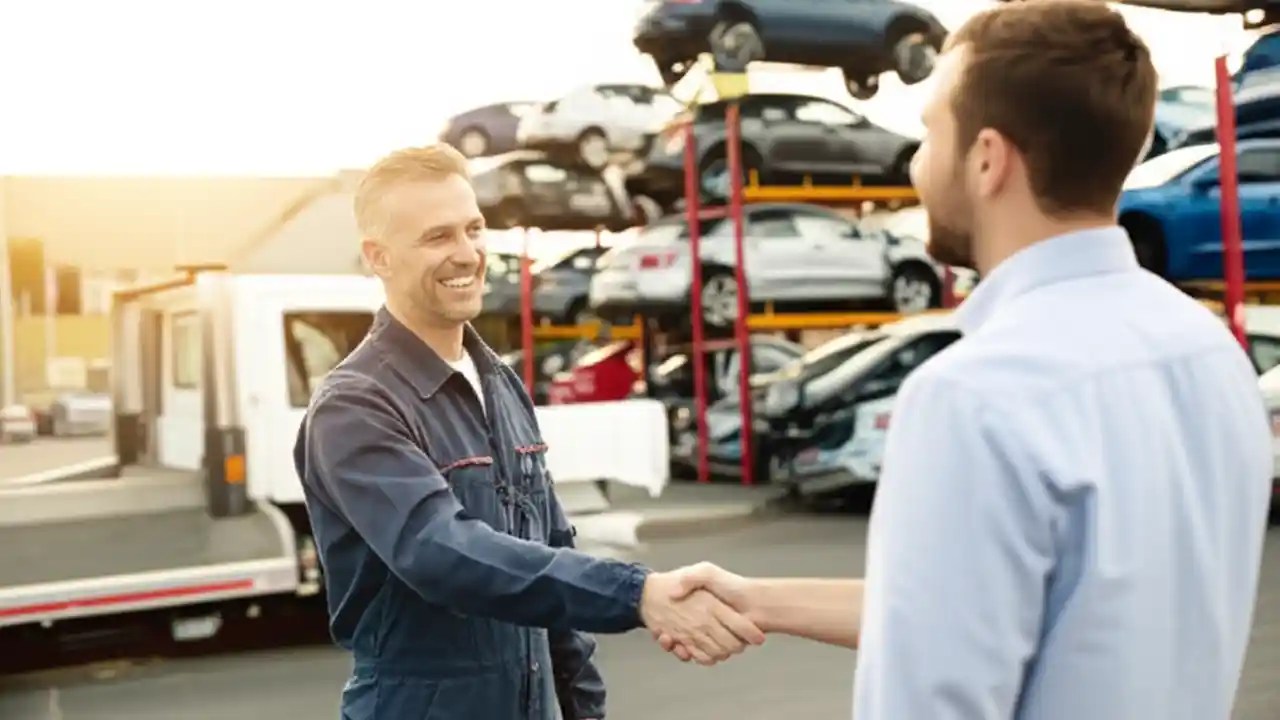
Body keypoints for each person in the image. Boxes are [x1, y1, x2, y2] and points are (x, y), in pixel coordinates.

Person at [662, 1, 1275, 718]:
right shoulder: (1210, 354)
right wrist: (760, 599)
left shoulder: (974, 396)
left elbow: (935, 690)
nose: (917, 165)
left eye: (928, 133)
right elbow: (1016, 606)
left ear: (987, 159)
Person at [292, 144, 765, 720]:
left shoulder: (500, 383)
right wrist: (636, 594)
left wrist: (584, 709)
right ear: (379, 258)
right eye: (437, 237)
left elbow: (550, 552)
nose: (466, 254)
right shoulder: (356, 406)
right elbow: (442, 554)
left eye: (474, 229)